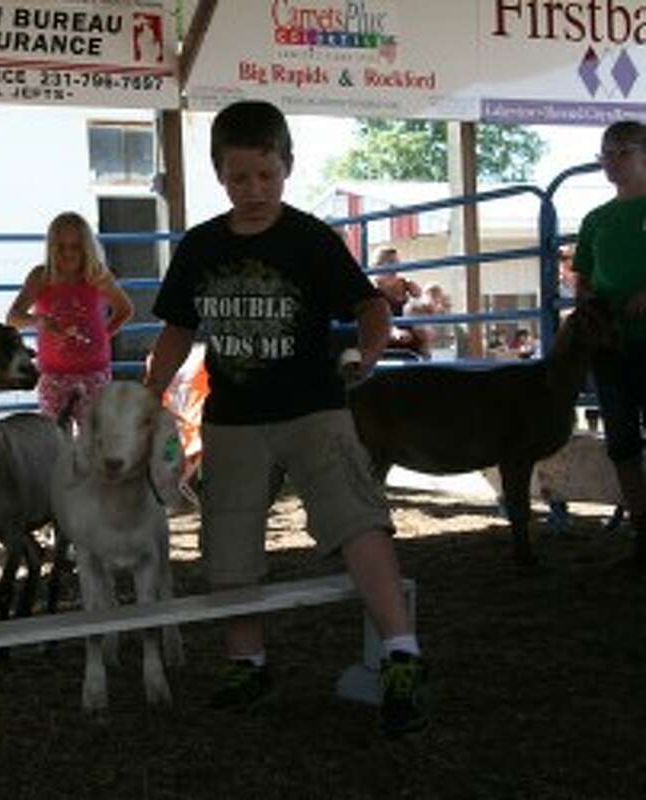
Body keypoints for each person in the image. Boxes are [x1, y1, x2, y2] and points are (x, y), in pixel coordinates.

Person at [143, 100, 427, 737]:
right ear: (219, 175)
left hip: (315, 409)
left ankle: (403, 654)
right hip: (232, 418)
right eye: (239, 178)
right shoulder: (201, 245)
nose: (253, 190)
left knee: (358, 518)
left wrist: (369, 352)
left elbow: (369, 306)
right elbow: (178, 328)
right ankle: (247, 663)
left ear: (288, 166)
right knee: (228, 538)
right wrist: (150, 389)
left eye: (266, 175)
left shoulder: (311, 238)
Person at [573, 120, 646, 568]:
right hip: (611, 346)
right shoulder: (595, 220)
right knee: (621, 441)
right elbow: (582, 276)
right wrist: (588, 304)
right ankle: (642, 533)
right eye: (606, 153)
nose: (612, 161)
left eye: (623, 151)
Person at [6, 212, 134, 420]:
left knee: (94, 434)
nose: (68, 253)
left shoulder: (98, 276)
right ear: (51, 248)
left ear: (87, 248)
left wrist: (103, 336)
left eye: (75, 247)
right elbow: (13, 318)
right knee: (55, 435)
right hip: (53, 374)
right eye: (61, 247)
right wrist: (38, 321)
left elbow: (125, 309)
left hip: (94, 372)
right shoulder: (41, 277)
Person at [372, 247, 427, 356]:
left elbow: (423, 301)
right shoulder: (373, 289)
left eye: (397, 262)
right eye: (390, 262)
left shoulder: (404, 283)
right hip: (386, 332)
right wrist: (394, 332)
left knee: (416, 314)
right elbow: (375, 320)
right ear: (378, 265)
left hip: (408, 330)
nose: (395, 267)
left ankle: (426, 353)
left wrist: (419, 296)